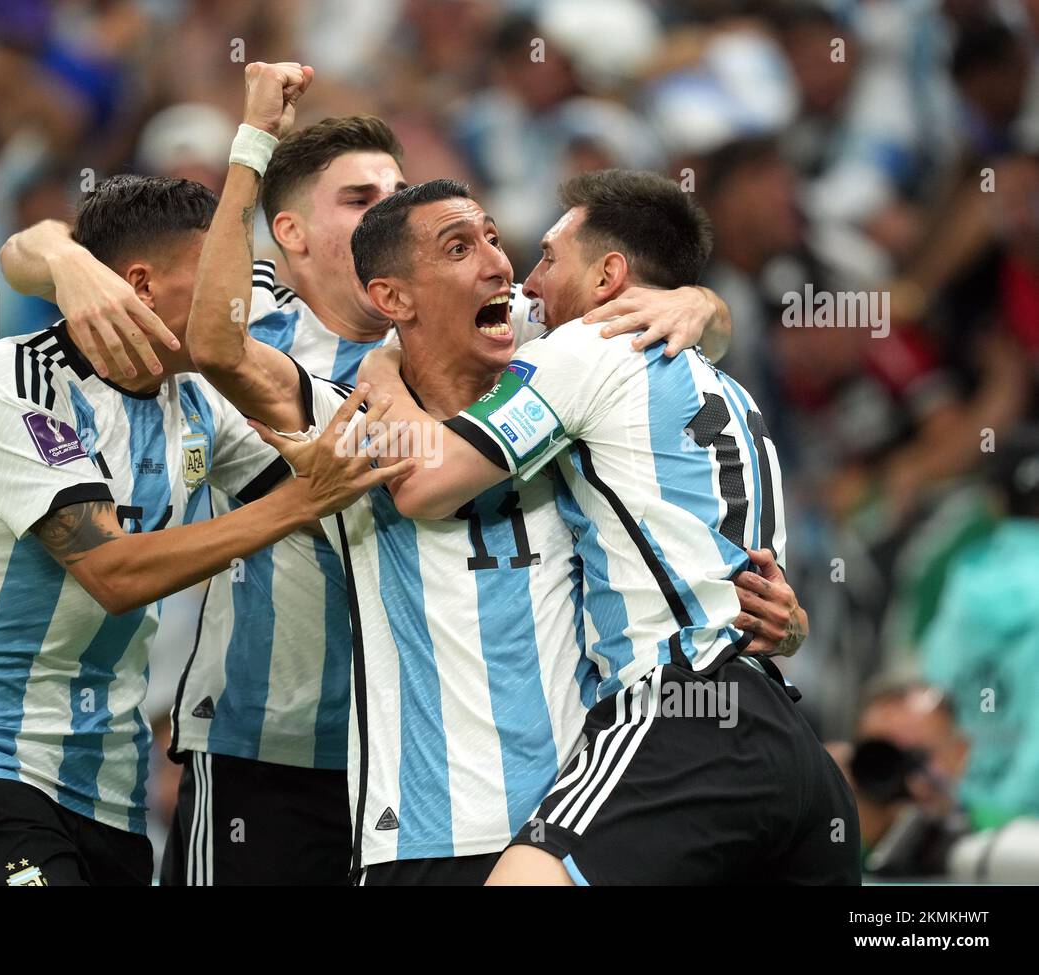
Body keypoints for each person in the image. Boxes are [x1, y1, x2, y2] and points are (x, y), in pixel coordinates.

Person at [0, 114, 743, 884]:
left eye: (400, 192)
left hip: (467, 775)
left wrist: (698, 304)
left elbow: (636, 328)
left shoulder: (520, 341)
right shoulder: (265, 326)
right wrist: (63, 256)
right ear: (289, 233)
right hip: (272, 743)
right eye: (361, 199)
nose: (389, 209)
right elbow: (181, 324)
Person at [185, 62, 807, 884]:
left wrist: (697, 302)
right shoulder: (351, 425)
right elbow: (219, 345)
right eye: (458, 246)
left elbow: (647, 364)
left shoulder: (567, 387)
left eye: (496, 242)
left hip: (575, 812)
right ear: (395, 295)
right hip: (413, 826)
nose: (502, 265)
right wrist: (254, 140)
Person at [0, 173, 406, 886]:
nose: (237, 306)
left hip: (114, 789)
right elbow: (113, 571)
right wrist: (298, 503)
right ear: (140, 283)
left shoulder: (197, 402)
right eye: (214, 282)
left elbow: (336, 501)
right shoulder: (10, 381)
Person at [360, 168, 857, 884]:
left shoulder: (588, 346)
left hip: (681, 711)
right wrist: (707, 303)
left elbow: (428, 482)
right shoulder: (726, 382)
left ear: (609, 276)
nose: (527, 281)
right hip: (786, 737)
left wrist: (381, 369)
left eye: (549, 259)